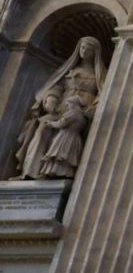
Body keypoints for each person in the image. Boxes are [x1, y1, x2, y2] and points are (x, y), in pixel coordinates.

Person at [10, 34, 103, 181]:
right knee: (41, 128)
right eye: (83, 48)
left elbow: (103, 93)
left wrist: (90, 105)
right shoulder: (70, 70)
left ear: (95, 53)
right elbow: (56, 86)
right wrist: (51, 98)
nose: (84, 51)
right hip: (60, 108)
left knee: (63, 131)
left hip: (79, 111)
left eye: (89, 49)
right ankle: (30, 172)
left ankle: (54, 170)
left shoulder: (98, 74)